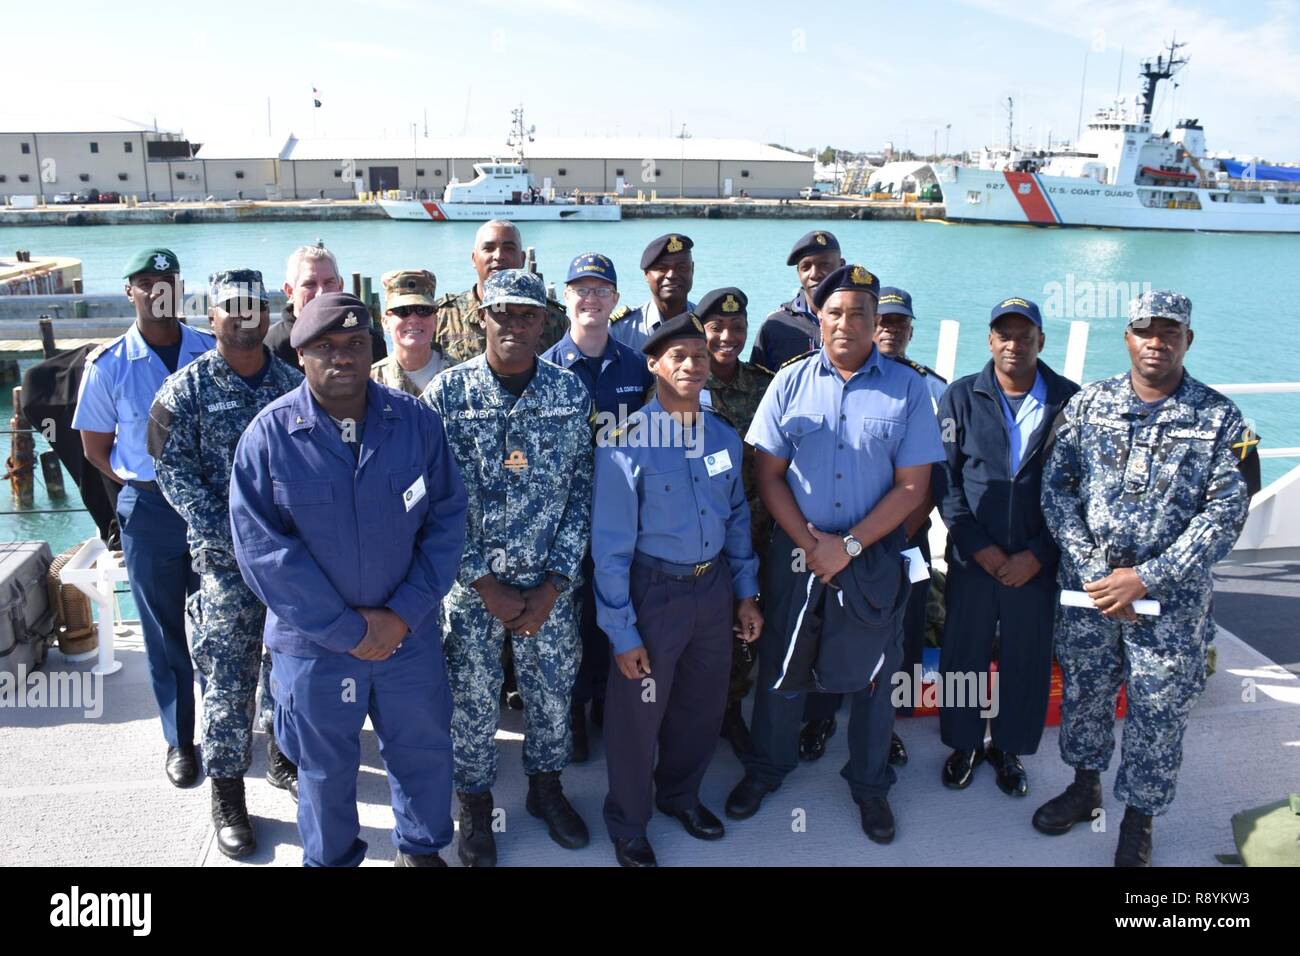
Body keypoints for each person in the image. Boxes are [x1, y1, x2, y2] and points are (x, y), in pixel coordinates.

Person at [230, 292, 468, 868]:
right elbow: (264, 554)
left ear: (371, 350)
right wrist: (345, 630)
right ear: (300, 355)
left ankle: (420, 849)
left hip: (405, 638)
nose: (342, 357)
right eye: (325, 348)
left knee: (422, 751)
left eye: (355, 345)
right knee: (324, 765)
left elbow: (447, 521)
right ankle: (332, 859)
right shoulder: (269, 438)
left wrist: (402, 614)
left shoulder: (416, 425)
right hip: (315, 646)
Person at [726, 264, 944, 844]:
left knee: (876, 673)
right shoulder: (789, 382)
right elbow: (768, 475)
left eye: (860, 314)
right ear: (818, 318)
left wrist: (848, 546)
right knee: (782, 662)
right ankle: (768, 767)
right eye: (836, 313)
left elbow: (912, 487)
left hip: (869, 554)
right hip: (799, 551)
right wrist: (811, 543)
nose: (847, 324)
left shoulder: (908, 388)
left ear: (877, 323)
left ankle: (870, 784)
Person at [1036, 290, 1251, 867]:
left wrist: (1148, 578)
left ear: (1188, 340)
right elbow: (1056, 490)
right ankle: (1084, 788)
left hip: (1171, 605)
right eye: (1145, 330)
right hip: (1091, 595)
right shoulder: (1088, 406)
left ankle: (1139, 821)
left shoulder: (1220, 418)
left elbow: (1226, 512)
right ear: (1128, 337)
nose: (1157, 341)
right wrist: (1098, 573)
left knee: (1157, 712)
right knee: (1084, 695)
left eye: (1170, 332)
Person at [424, 269, 593, 867]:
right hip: (471, 591)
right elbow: (430, 499)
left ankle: (546, 791)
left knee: (550, 695)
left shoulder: (570, 394)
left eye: (527, 314)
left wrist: (556, 584)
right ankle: (473, 807)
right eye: (504, 313)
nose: (515, 325)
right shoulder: (446, 395)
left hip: (548, 587)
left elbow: (581, 493)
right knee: (472, 700)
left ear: (544, 320)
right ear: (481, 317)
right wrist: (480, 579)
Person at [593, 309, 762, 867]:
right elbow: (611, 546)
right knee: (638, 713)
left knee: (700, 705)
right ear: (654, 364)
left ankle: (680, 796)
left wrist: (745, 592)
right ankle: (628, 821)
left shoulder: (722, 436)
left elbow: (736, 516)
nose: (692, 365)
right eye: (678, 356)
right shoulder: (625, 440)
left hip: (712, 590)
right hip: (653, 592)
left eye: (699, 355)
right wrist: (621, 632)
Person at [149, 269, 304, 857]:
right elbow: (171, 469)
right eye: (229, 307)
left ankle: (283, 757)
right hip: (223, 564)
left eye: (253, 306)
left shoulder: (294, 384)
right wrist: (235, 535)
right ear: (209, 317)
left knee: (287, 666)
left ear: (268, 316)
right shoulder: (183, 392)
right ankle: (228, 792)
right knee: (228, 677)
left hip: (289, 560)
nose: (243, 316)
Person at [73, 247, 212, 787]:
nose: (159, 292)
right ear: (129, 291)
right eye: (147, 282)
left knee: (223, 619)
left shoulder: (209, 349)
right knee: (162, 628)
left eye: (168, 281)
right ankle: (180, 740)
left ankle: (230, 722)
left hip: (210, 504)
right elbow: (94, 447)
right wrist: (137, 481)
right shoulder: (108, 365)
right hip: (149, 508)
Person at [932, 297, 1079, 798]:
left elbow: (1081, 489)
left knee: (1028, 657)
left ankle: (1010, 747)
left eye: (1025, 334)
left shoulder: (1070, 401)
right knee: (963, 652)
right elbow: (943, 479)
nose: (1014, 344)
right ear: (990, 340)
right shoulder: (959, 398)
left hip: (1036, 562)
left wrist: (1040, 553)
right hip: (975, 558)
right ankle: (964, 742)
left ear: (1041, 340)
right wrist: (977, 546)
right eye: (1004, 334)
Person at [800, 285, 945, 766]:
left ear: (910, 329)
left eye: (899, 323)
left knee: (897, 631)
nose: (890, 330)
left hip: (901, 537)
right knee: (826, 627)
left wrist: (894, 534)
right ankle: (820, 715)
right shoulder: (821, 377)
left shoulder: (929, 386)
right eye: (883, 321)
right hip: (839, 537)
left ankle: (888, 727)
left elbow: (929, 480)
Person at [540, 253, 653, 763]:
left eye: (601, 290)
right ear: (565, 297)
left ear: (615, 299)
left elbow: (654, 440)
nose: (591, 299)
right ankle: (574, 712)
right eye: (580, 290)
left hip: (621, 520)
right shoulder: (543, 370)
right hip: (562, 520)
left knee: (614, 609)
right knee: (568, 622)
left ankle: (609, 702)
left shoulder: (637, 368)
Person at [693, 287, 774, 758]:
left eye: (737, 327)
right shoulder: (680, 380)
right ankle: (693, 715)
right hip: (697, 535)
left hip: (754, 531)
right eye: (717, 327)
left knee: (745, 626)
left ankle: (730, 711)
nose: (727, 336)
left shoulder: (764, 385)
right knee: (698, 630)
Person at [433, 220, 568, 364]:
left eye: (508, 249)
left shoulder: (552, 319)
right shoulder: (443, 316)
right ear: (474, 258)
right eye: (489, 248)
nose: (498, 256)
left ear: (522, 259)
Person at [265, 242, 386, 371]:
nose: (321, 293)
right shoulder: (271, 348)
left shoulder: (369, 342)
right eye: (309, 284)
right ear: (289, 291)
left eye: (329, 282)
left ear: (340, 286)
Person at [748, 230, 844, 372]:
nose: (814, 274)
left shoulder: (860, 319)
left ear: (841, 266)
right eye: (806, 267)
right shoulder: (776, 325)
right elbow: (756, 382)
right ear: (798, 272)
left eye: (824, 265)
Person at [607, 233, 697, 352]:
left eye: (681, 268)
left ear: (692, 269)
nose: (672, 275)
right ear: (646, 274)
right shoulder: (621, 330)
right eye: (662, 268)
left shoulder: (707, 322)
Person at [371, 269, 448, 397]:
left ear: (435, 320)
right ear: (385, 321)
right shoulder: (370, 382)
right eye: (403, 310)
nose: (413, 319)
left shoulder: (465, 377)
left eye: (423, 310)